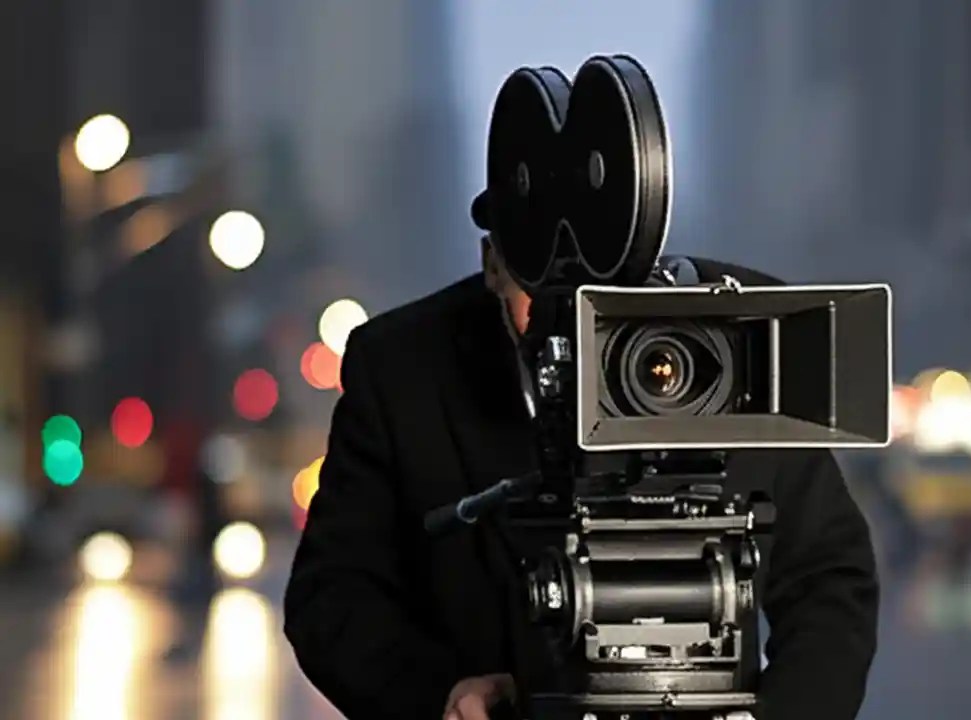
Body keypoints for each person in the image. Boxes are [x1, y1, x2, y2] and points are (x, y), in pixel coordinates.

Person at [284, 211, 880, 719]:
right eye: (542, 279)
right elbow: (331, 595)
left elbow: (828, 577)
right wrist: (441, 694)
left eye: (600, 276)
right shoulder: (401, 368)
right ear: (492, 262)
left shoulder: (739, 347)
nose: (571, 312)